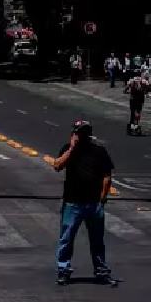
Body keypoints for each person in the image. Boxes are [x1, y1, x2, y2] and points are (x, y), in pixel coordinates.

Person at [51, 121, 118, 286]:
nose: (82, 136)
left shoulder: (99, 151)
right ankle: (63, 269)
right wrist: (72, 149)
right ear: (74, 134)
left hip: (93, 203)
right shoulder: (68, 149)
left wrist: (102, 198)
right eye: (79, 133)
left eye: (84, 133)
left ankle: (101, 270)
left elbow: (106, 175)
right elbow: (57, 165)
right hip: (72, 203)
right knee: (67, 238)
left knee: (97, 240)